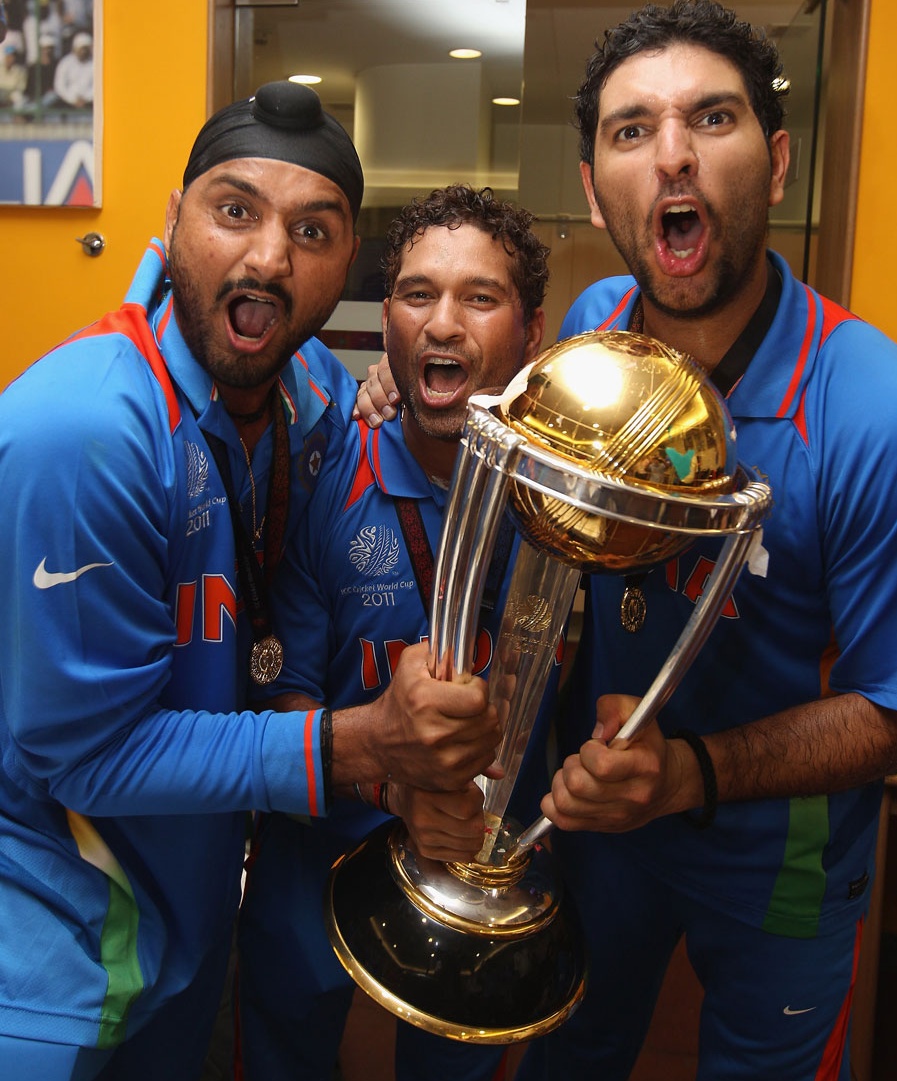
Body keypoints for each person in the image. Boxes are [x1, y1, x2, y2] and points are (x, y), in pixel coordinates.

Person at [356, 4, 897, 1079]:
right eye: (632, 130)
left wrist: (691, 773)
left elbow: (891, 707)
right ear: (598, 187)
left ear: (778, 162)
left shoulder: (868, 404)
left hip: (774, 851)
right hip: (596, 822)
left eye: (713, 118)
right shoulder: (600, 329)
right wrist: (395, 389)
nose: (675, 155)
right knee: (573, 1050)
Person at [0, 82, 500, 1081]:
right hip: (56, 941)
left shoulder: (310, 389)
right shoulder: (85, 431)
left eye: (312, 230)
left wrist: (395, 390)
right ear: (172, 220)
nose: (270, 256)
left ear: (345, 264)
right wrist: (361, 744)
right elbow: (83, 759)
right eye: (235, 212)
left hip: (190, 912)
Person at [237, 183, 555, 1081]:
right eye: (417, 294)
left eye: (478, 297)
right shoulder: (324, 463)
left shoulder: (560, 493)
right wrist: (392, 788)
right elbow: (284, 688)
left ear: (530, 333)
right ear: (386, 321)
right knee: (284, 1050)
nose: (441, 323)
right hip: (323, 839)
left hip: (481, 855)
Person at [45, 26, 91, 107]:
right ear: (75, 48)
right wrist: (73, 99)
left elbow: (97, 87)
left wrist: (86, 99)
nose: (83, 52)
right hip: (67, 101)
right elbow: (59, 86)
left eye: (85, 49)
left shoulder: (95, 63)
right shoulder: (65, 62)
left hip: (89, 102)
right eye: (81, 49)